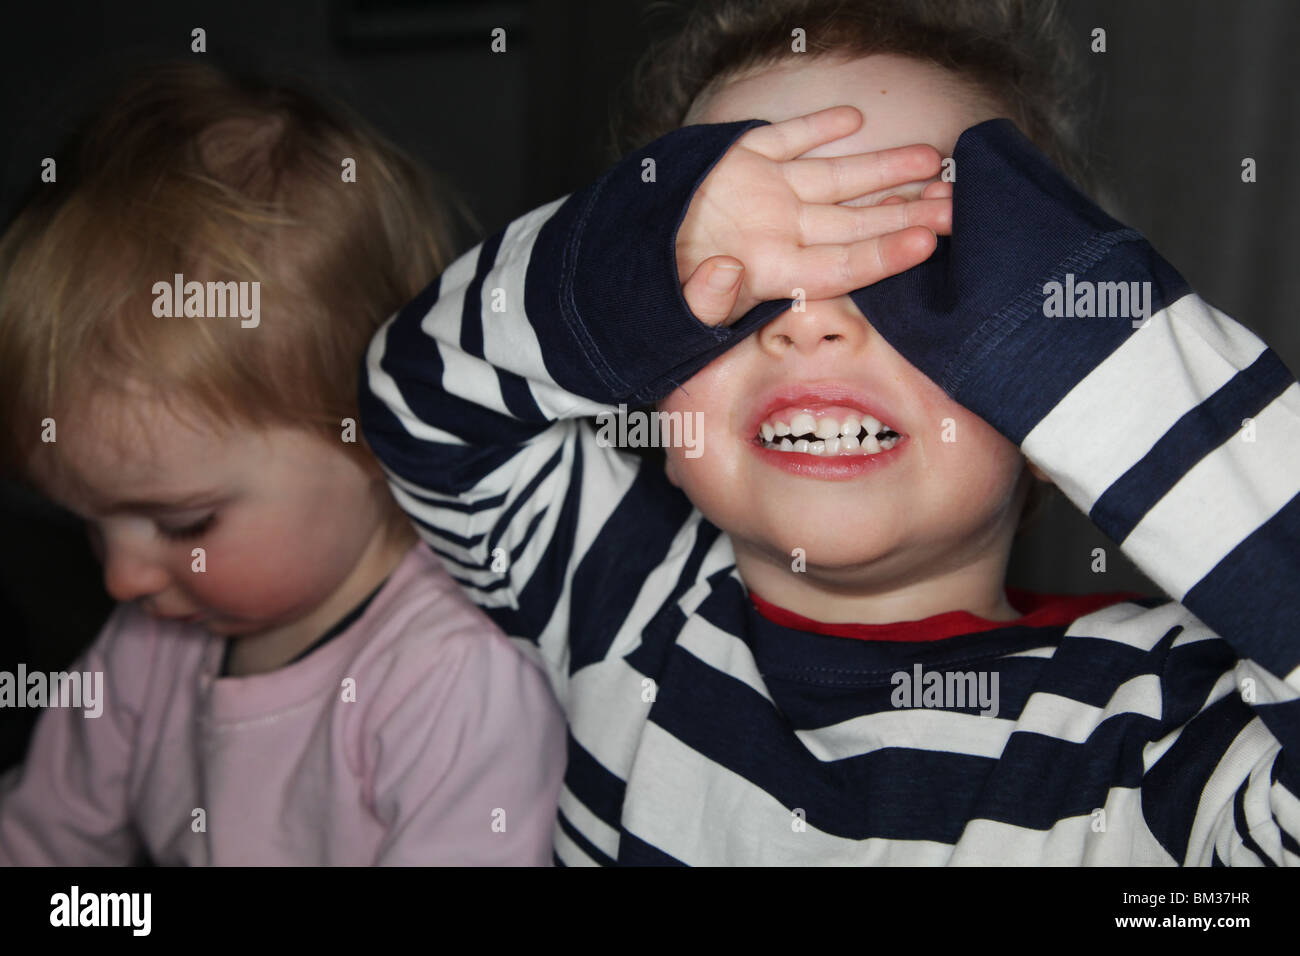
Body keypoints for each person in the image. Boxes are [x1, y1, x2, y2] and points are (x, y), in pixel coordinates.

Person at [359, 0, 1298, 865]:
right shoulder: (619, 600)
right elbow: (422, 402)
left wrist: (1081, 342)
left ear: (1058, 398)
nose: (808, 319)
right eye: (735, 276)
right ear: (645, 389)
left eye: (920, 270)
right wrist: (639, 255)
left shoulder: (1161, 732)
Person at [0, 62, 565, 865]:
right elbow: (42, 841)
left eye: (183, 522)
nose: (121, 578)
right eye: (88, 522)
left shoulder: (456, 678)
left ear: (371, 433)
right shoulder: (147, 646)